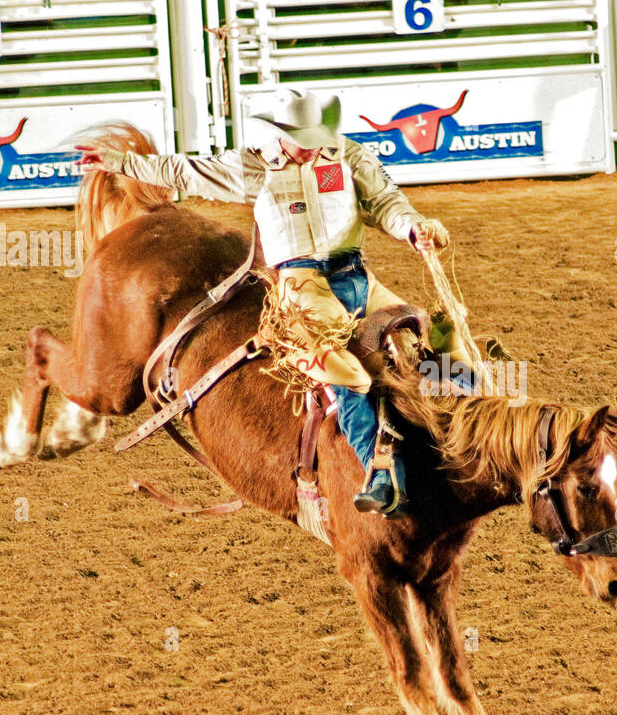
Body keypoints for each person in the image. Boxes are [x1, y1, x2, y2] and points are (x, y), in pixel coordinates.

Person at [76, 88, 460, 518]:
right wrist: (122, 164)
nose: (314, 144)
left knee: (439, 336)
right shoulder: (255, 166)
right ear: (282, 134)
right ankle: (379, 471)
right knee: (348, 371)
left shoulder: (347, 156)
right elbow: (187, 171)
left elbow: (386, 202)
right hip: (301, 285)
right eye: (304, 136)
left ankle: (472, 424)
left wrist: (413, 229)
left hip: (356, 276)